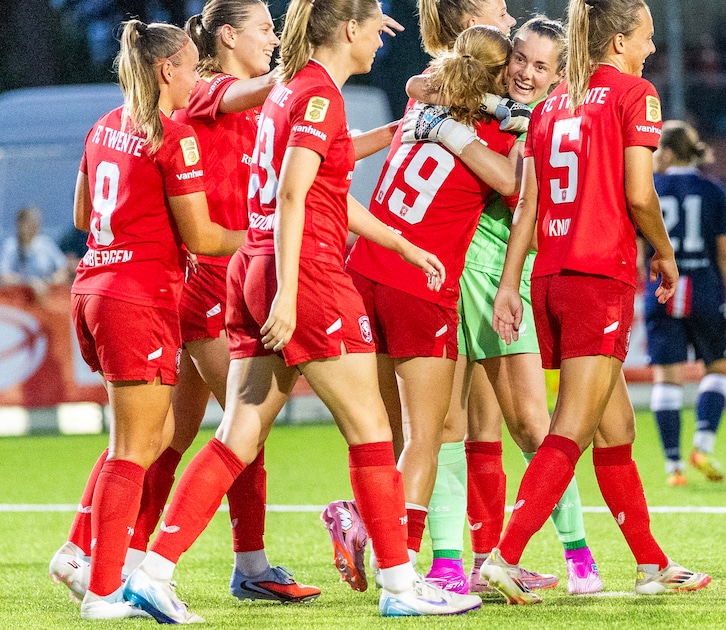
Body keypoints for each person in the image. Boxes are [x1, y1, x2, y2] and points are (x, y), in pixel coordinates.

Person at [117, 0, 481, 620]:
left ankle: (153, 572)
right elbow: (291, 194)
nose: (380, 41)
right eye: (374, 28)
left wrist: (400, 244)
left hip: (254, 267)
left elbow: (322, 191)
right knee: (372, 430)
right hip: (304, 273)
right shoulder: (317, 94)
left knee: (238, 434)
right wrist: (289, 292)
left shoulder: (291, 91)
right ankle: (400, 586)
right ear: (349, 30)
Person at [482, 0, 712, 604]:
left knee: (616, 430)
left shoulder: (549, 105)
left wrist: (510, 283)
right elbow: (639, 194)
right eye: (647, 37)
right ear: (618, 42)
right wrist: (664, 252)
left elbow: (527, 204)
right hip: (596, 277)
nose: (652, 48)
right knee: (573, 428)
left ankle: (651, 563)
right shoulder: (635, 94)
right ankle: (505, 557)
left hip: (551, 277)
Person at [319, 0, 536, 595]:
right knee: (430, 435)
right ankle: (403, 566)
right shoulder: (495, 129)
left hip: (365, 271)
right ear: (497, 75)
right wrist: (509, 124)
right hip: (423, 282)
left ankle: (365, 523)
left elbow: (421, 83)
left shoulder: (423, 103)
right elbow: (512, 183)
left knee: (384, 432)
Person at [49, 19, 246, 620]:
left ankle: (82, 558)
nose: (197, 80)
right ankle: (103, 591)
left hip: (94, 288)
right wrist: (268, 236)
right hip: (139, 297)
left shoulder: (103, 125)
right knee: (134, 449)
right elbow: (204, 237)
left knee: (147, 439)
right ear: (167, 70)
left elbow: (82, 216)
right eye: (190, 68)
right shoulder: (173, 135)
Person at [127, 0, 318, 604]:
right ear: (228, 36)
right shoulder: (208, 88)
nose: (274, 39)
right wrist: (321, 52)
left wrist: (400, 131)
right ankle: (245, 565)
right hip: (209, 281)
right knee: (244, 425)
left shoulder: (257, 100)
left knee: (175, 433)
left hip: (226, 278)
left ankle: (121, 554)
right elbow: (263, 89)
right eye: (266, 29)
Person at [404, 16, 603, 596]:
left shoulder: (552, 121)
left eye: (541, 66)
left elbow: (522, 194)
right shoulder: (479, 99)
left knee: (532, 425)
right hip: (444, 273)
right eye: (520, 58)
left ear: (559, 75)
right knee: (447, 425)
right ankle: (448, 564)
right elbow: (419, 84)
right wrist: (485, 107)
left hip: (498, 279)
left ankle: (579, 556)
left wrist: (473, 120)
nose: (525, 72)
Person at [645, 120, 726, 486]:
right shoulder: (714, 190)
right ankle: (702, 445)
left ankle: (674, 467)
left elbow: (638, 248)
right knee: (716, 368)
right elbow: (725, 254)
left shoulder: (649, 188)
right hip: (704, 288)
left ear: (669, 153)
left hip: (661, 289)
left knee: (667, 379)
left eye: (656, 149)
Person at [0, 206, 69, 297]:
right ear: (20, 224)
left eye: (35, 222)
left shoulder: (46, 244)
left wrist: (52, 281)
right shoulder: (11, 246)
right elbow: (5, 277)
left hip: (46, 296)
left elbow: (62, 268)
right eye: (29, 223)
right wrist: (30, 282)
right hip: (18, 298)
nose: (33, 226)